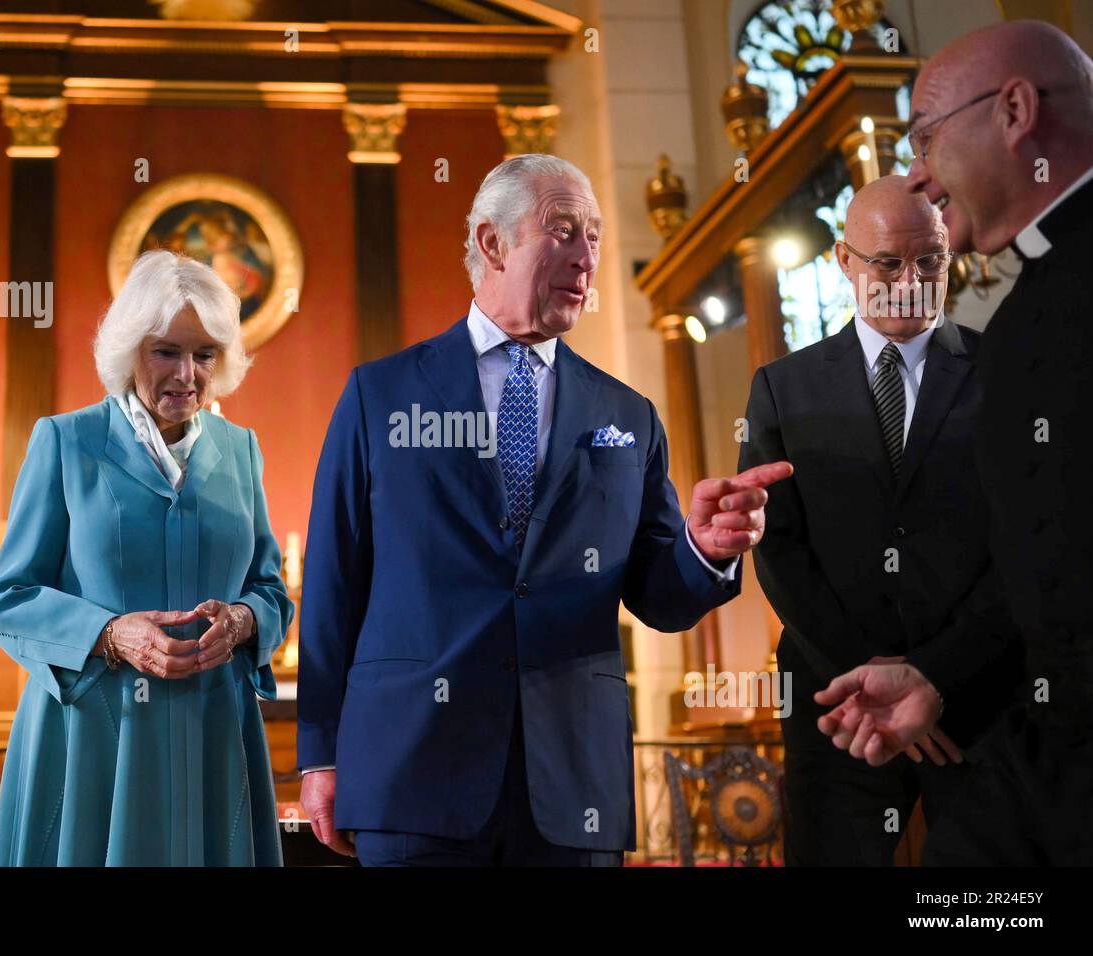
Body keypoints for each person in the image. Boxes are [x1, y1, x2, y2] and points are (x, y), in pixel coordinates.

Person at [297, 154, 790, 866]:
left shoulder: (630, 415)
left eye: (594, 236)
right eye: (564, 231)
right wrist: (320, 755)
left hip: (572, 783)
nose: (587, 256)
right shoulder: (379, 396)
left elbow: (658, 593)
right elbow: (333, 583)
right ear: (492, 242)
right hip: (413, 770)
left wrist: (704, 547)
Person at [815, 20, 1093, 864]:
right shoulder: (1013, 325)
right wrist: (941, 671)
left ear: (1015, 111)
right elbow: (1043, 557)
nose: (918, 175)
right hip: (1046, 761)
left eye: (927, 138)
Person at [738, 175, 1021, 865]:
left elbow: (1024, 542)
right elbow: (779, 549)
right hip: (834, 701)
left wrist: (933, 676)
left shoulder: (1007, 373)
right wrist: (869, 681)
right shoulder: (783, 388)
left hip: (982, 698)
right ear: (843, 260)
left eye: (929, 260)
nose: (911, 280)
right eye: (887, 263)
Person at [0, 249, 294, 865]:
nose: (187, 373)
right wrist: (109, 632)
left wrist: (245, 620)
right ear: (130, 353)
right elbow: (8, 599)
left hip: (214, 729)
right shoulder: (66, 441)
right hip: (93, 734)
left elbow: (271, 588)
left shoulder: (241, 451)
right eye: (166, 352)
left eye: (204, 354)